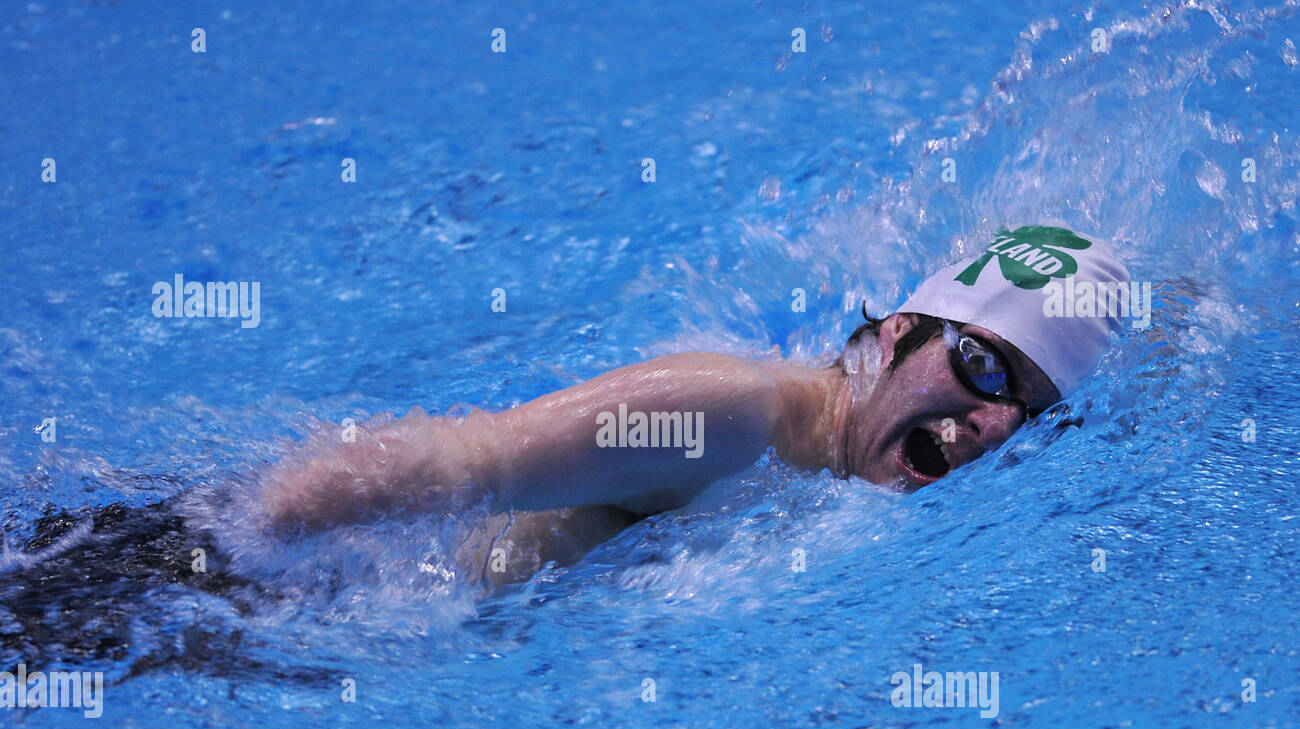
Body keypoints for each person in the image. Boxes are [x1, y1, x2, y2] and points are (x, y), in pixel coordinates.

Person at [261, 223, 1128, 583]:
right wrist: (250, 539)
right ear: (899, 331)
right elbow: (464, 461)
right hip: (252, 603)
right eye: (980, 362)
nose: (994, 420)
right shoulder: (729, 414)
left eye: (1031, 409)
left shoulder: (842, 492)